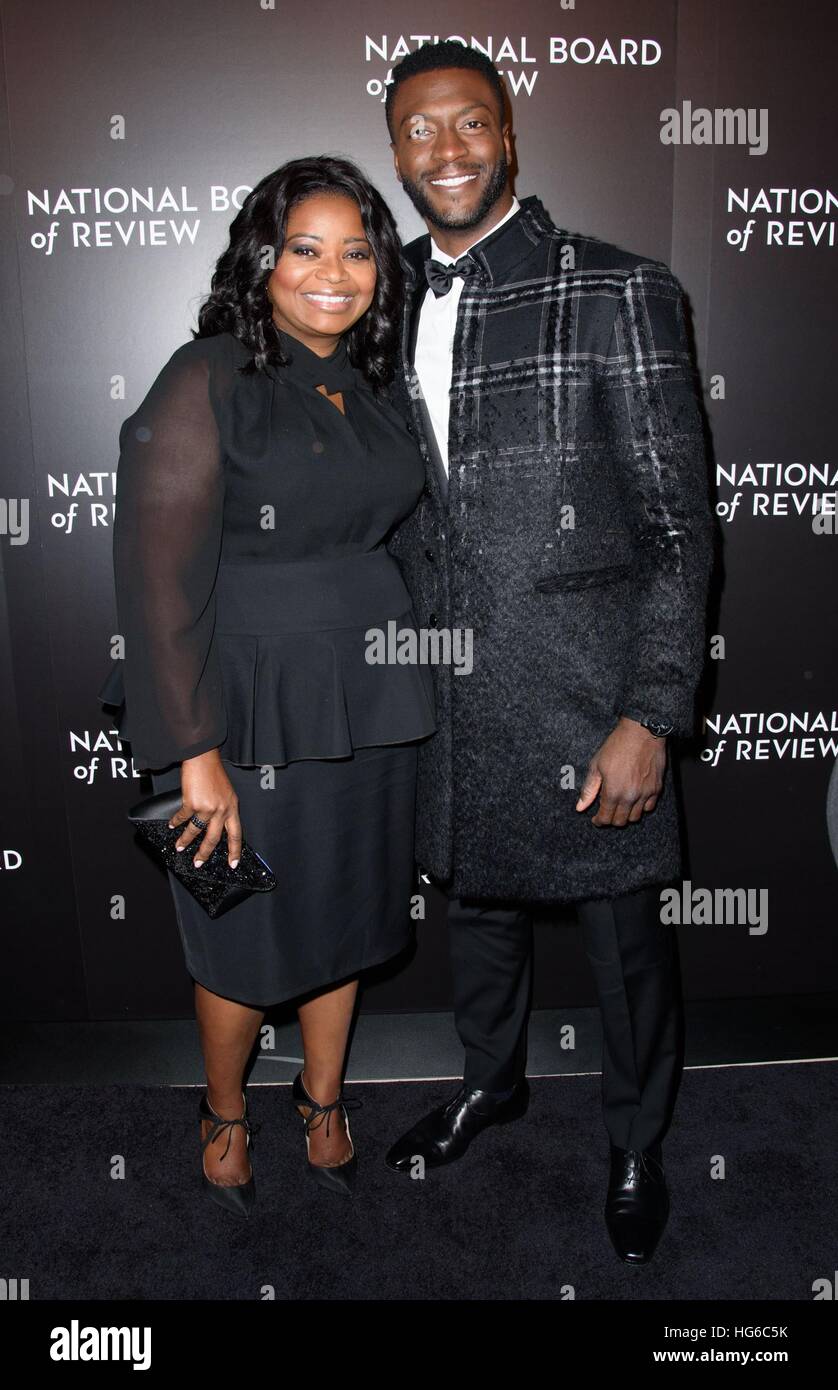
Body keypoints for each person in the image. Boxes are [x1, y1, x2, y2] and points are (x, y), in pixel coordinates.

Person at [380, 42, 714, 1264]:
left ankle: (635, 1140)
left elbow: (680, 529)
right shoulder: (383, 296)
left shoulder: (617, 288)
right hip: (447, 688)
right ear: (396, 151)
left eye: (471, 124)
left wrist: (650, 711)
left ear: (508, 136)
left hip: (585, 693)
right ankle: (492, 1081)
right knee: (479, 914)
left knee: (626, 948)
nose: (448, 150)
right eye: (420, 130)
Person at [97, 155, 436, 1216]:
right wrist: (192, 751)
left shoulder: (381, 386)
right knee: (242, 927)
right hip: (245, 704)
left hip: (371, 694)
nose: (333, 272)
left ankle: (324, 1102)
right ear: (263, 261)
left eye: (356, 250)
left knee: (347, 914)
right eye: (305, 249)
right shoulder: (204, 376)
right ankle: (227, 1109)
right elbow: (157, 584)